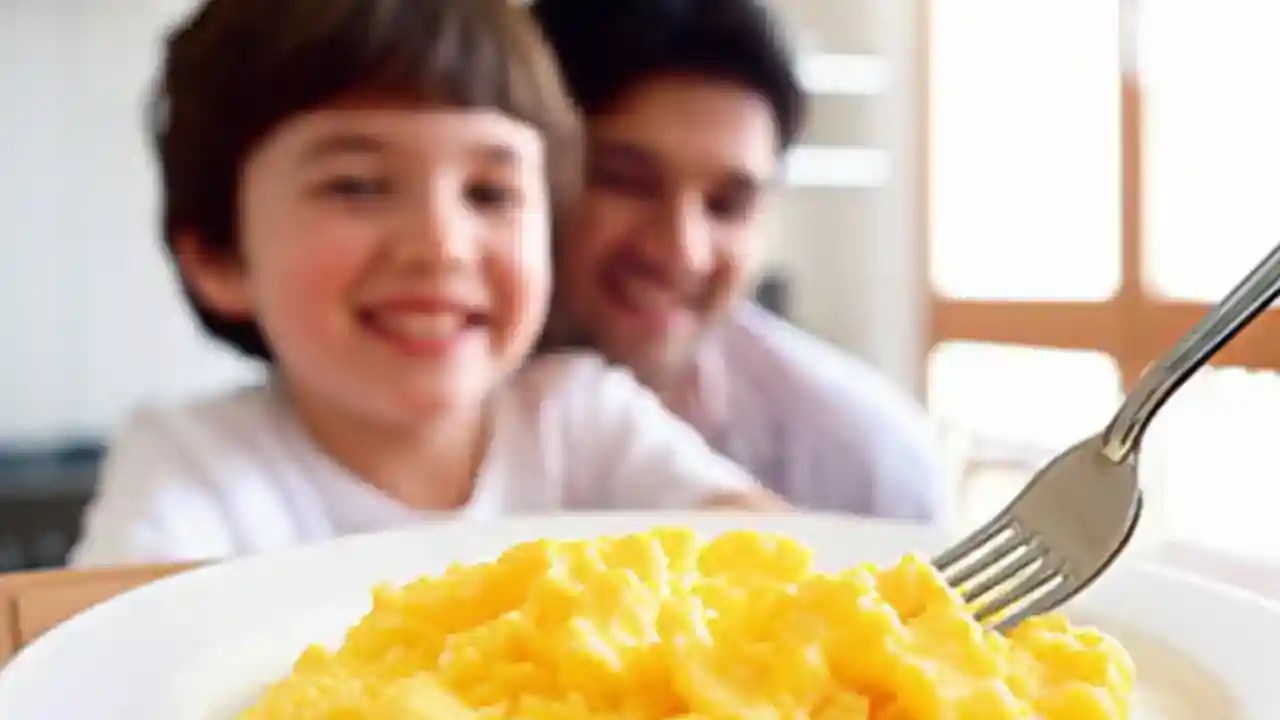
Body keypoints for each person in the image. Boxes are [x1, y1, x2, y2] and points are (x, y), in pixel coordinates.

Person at [71, 0, 777, 567]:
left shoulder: (583, 421)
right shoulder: (194, 465)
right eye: (357, 185)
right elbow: (107, 656)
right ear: (221, 258)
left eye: (491, 193)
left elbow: (776, 560)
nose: (441, 245)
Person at [531, 0, 946, 518]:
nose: (681, 249)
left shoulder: (863, 463)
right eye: (627, 181)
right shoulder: (423, 426)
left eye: (728, 204)